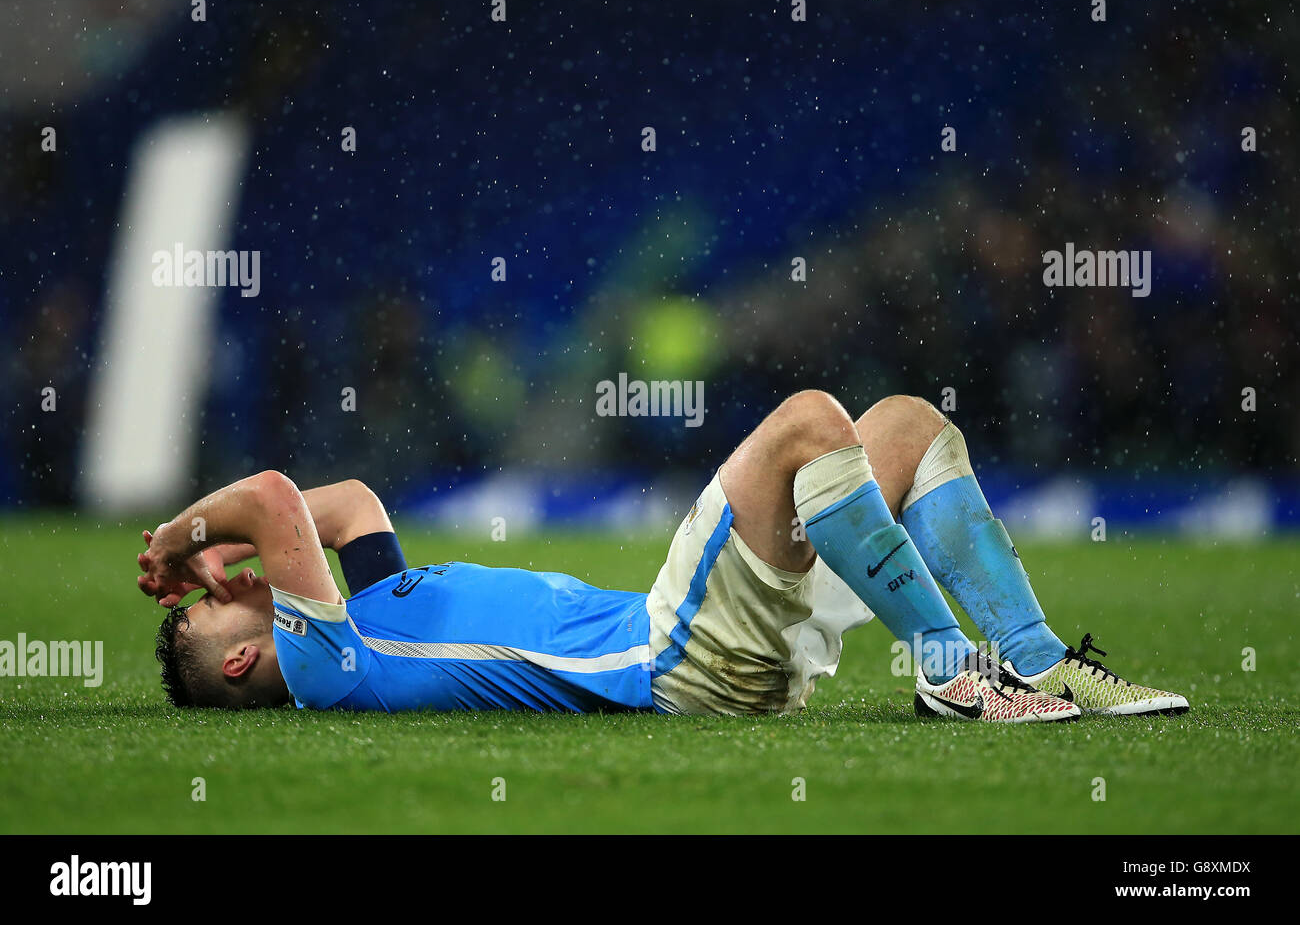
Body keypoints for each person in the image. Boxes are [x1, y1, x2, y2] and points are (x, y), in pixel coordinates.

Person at [142, 391, 1187, 721]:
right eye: (221, 608)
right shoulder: (331, 670)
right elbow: (277, 500)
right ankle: (953, 670)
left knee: (905, 427)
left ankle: (1036, 657)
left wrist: (218, 547)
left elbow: (345, 504)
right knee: (808, 426)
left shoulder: (372, 611)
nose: (236, 585)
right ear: (244, 660)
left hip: (713, 646)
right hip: (671, 652)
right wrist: (182, 536)